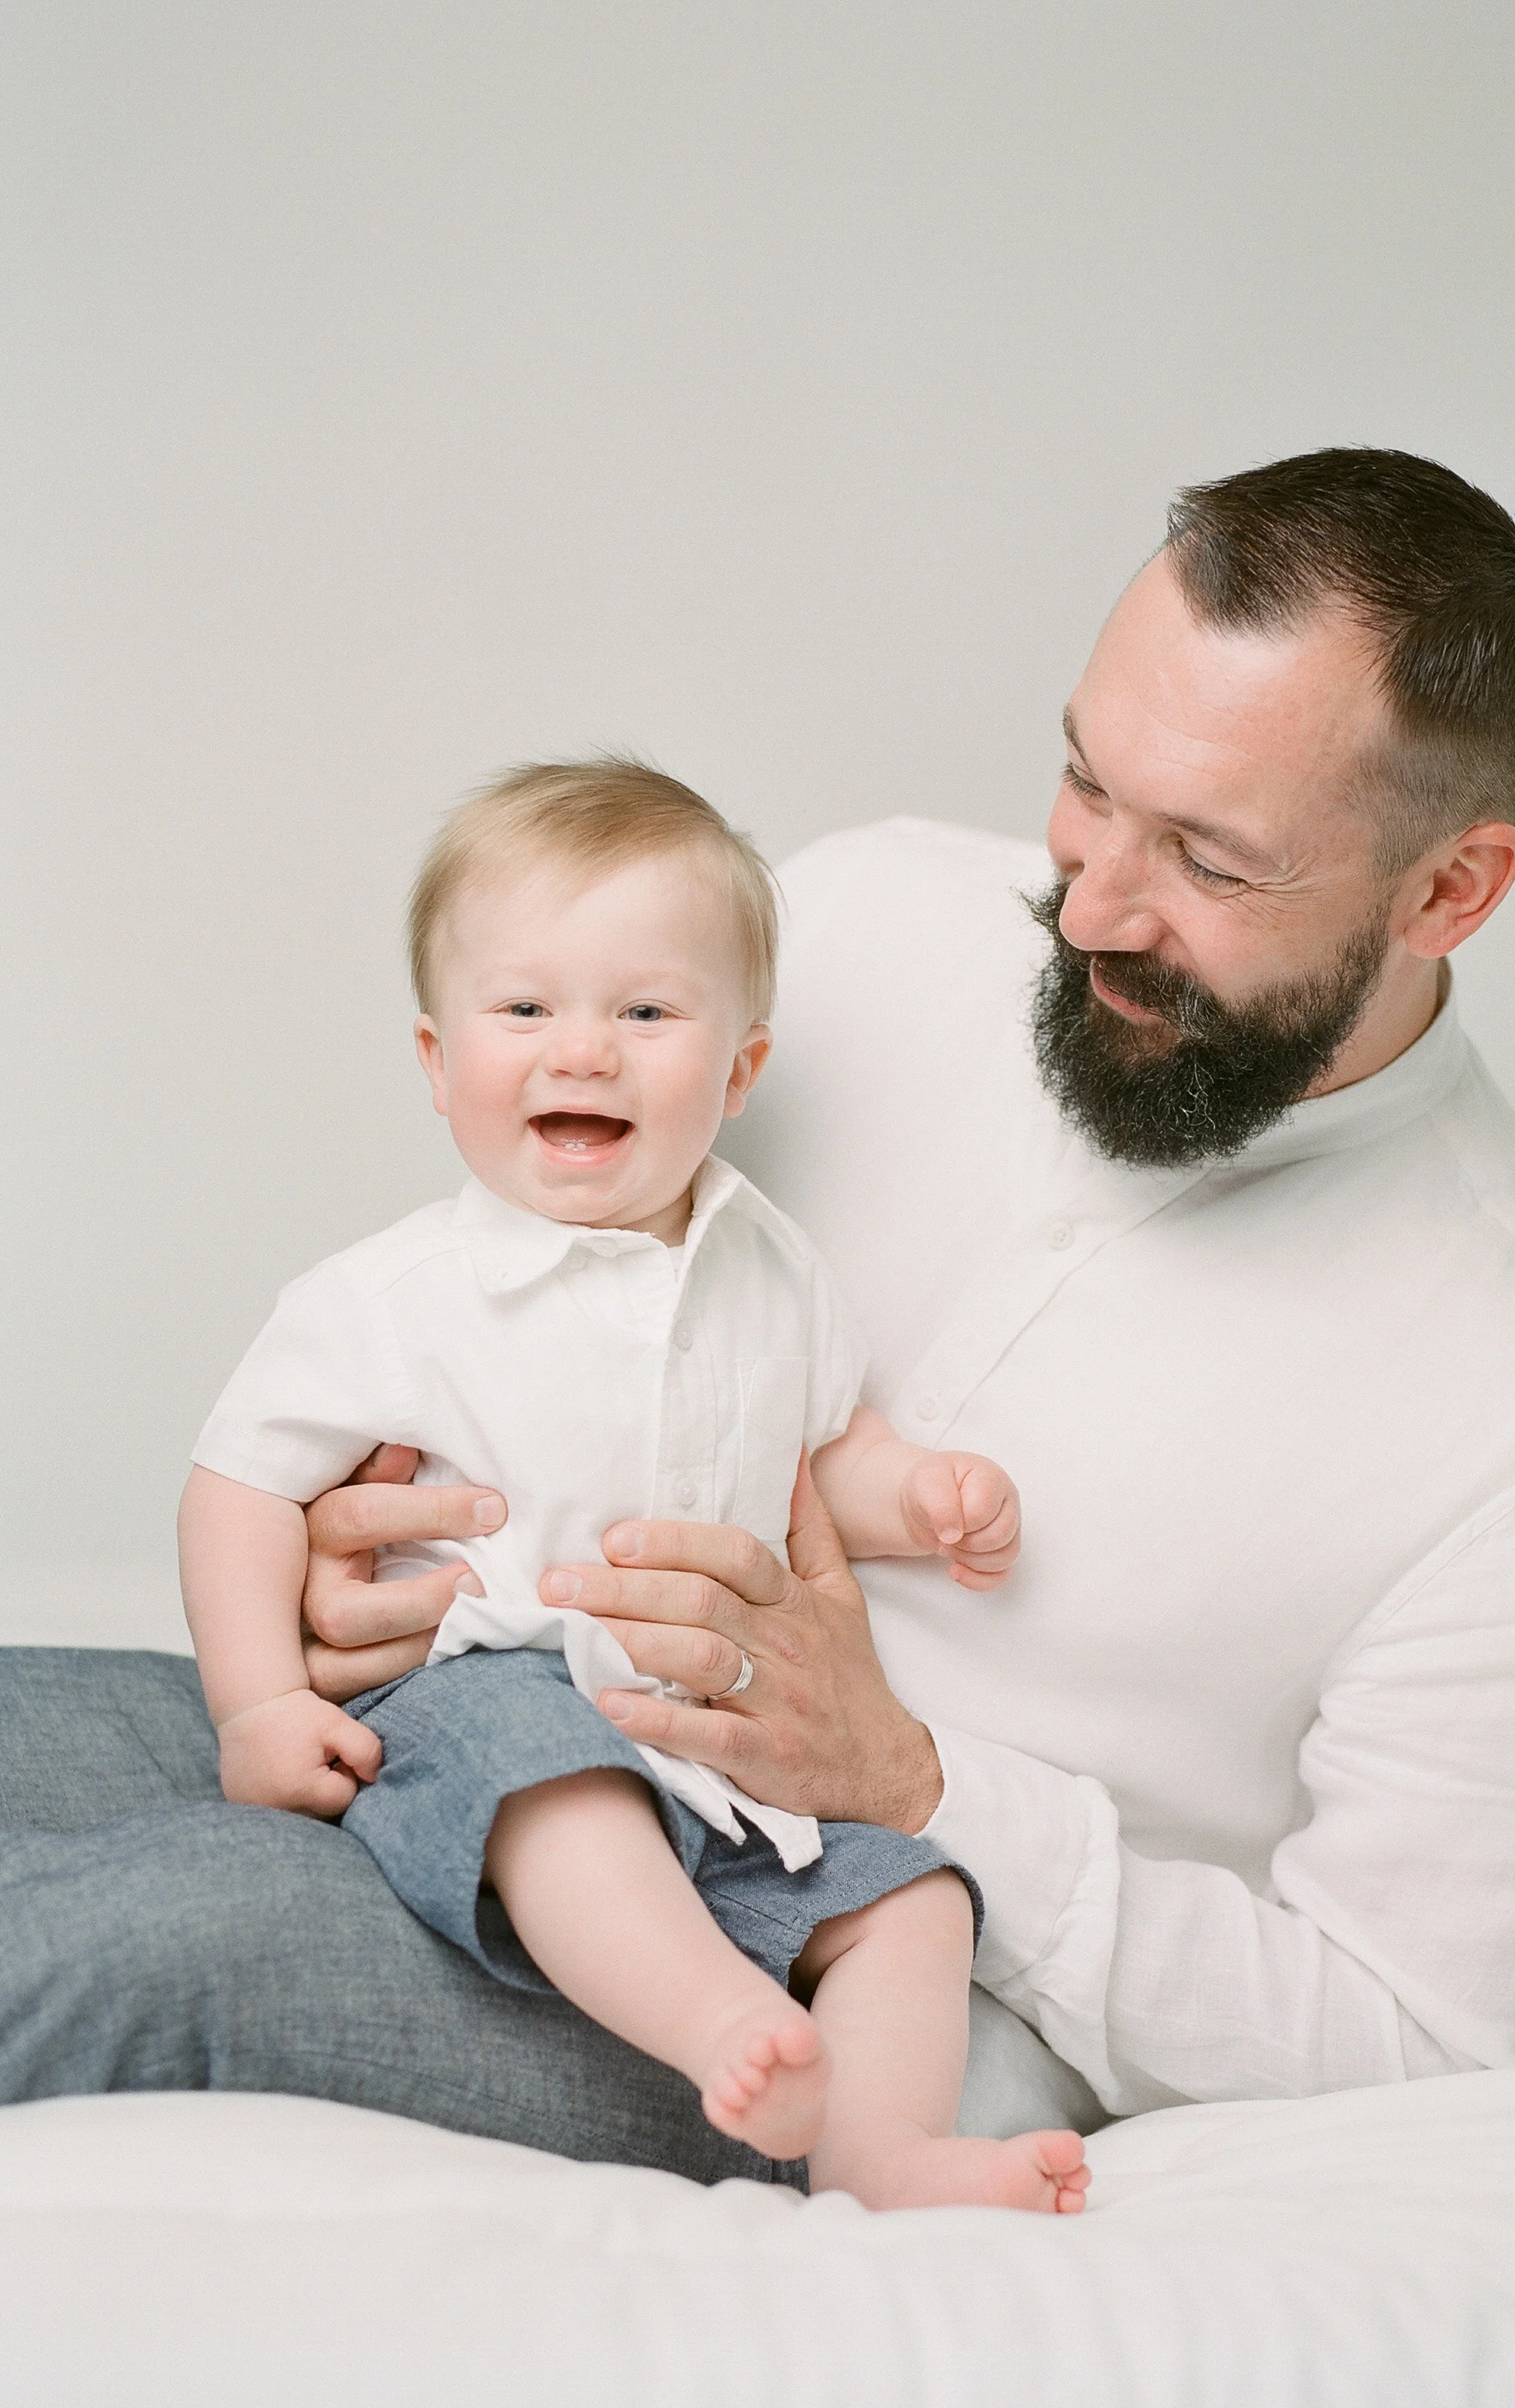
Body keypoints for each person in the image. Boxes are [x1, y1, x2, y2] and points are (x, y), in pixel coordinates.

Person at [0, 446, 1515, 2161]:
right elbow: (541, 1249)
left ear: (1449, 888)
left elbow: (1412, 2021)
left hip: (791, 1943)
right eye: (1085, 781)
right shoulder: (872, 910)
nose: (1088, 902)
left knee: (139, 1938)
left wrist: (921, 1781)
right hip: (463, 1704)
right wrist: (349, 1540)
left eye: (1209, 860)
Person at [175, 757, 1086, 2214]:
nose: (581, 1051)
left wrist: (915, 1494)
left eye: (644, 1011)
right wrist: (258, 1701)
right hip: (483, 1698)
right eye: (524, 1008)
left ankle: (883, 2149)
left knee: (913, 1893)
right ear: (434, 1056)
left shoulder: (766, 1267)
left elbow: (811, 1453)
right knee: (560, 1786)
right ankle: (721, 2022)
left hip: (708, 1741)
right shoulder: (401, 1294)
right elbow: (239, 1484)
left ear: (736, 1070)